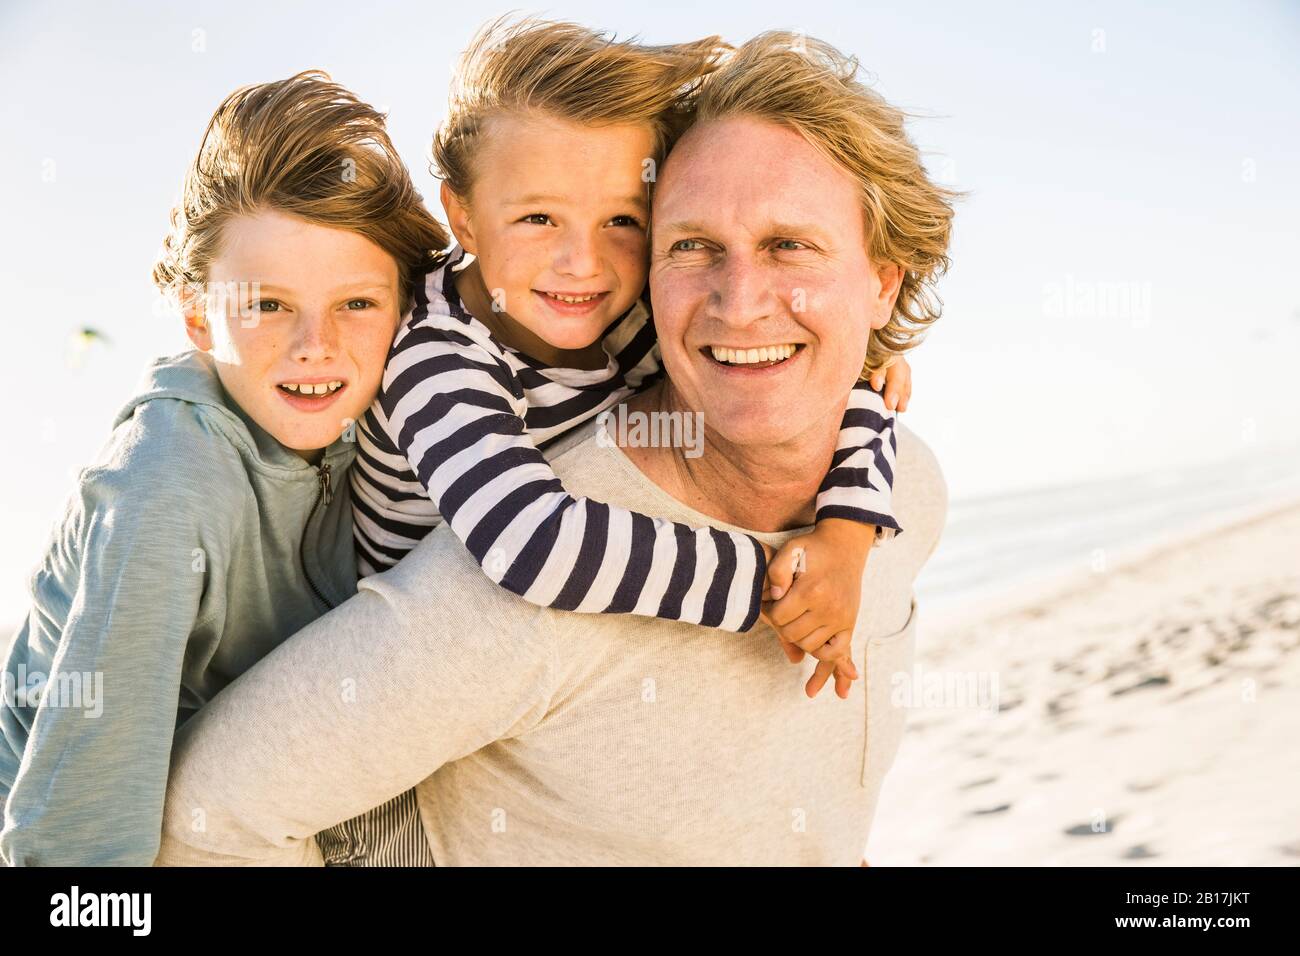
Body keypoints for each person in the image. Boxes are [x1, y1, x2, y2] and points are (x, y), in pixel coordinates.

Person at [155, 29, 954, 866]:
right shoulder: (490, 569)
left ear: (882, 280)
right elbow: (210, 817)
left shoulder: (910, 490)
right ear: (461, 214)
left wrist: (848, 527)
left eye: (791, 245)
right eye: (694, 246)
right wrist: (774, 581)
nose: (740, 301)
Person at [0, 72, 447, 866]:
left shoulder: (396, 425)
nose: (316, 344)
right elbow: (76, 825)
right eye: (268, 305)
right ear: (201, 316)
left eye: (357, 304)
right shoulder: (165, 485)